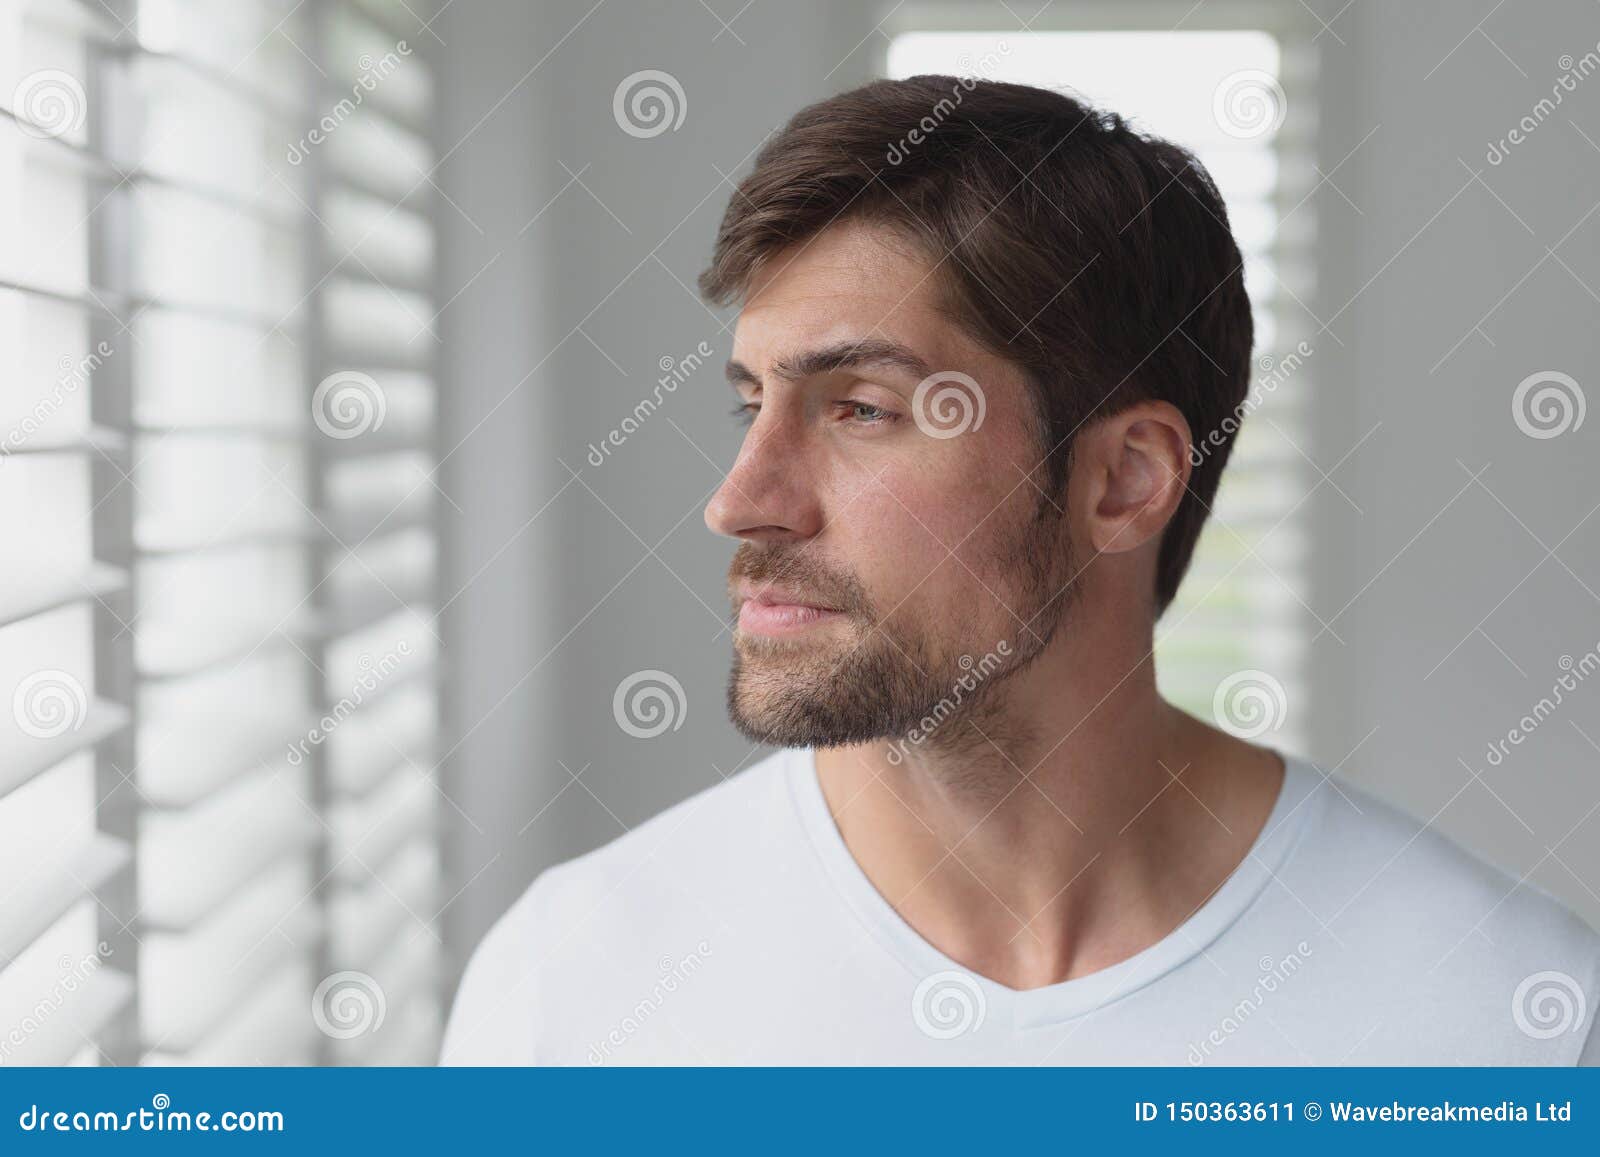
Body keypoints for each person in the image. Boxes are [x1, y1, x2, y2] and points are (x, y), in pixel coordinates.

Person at [441, 77, 1600, 1065]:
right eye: (753, 404)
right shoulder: (573, 990)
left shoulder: (1509, 1015)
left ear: (1124, 480)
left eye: (859, 407)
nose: (739, 500)